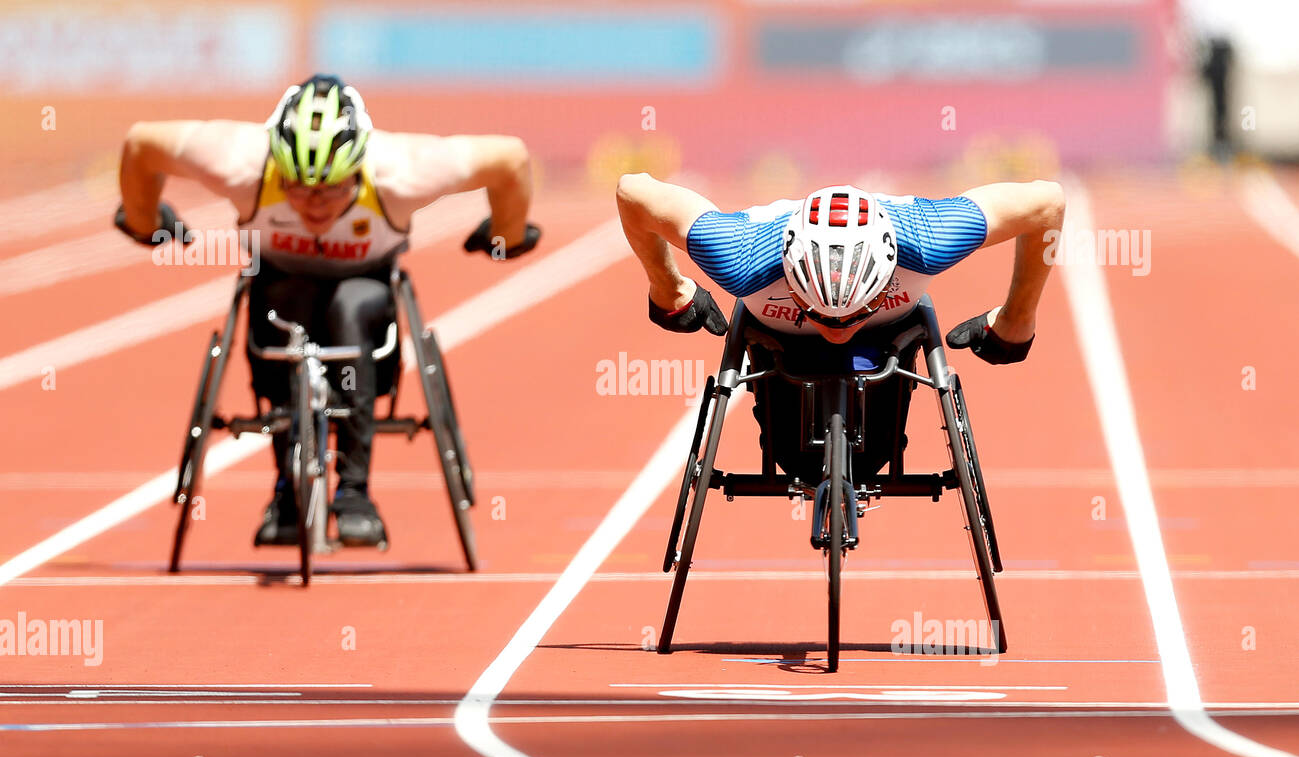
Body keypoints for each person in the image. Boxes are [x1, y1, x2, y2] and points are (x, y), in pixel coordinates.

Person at [116, 73, 540, 546]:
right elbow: (141, 144)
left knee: (349, 307)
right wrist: (143, 220)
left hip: (365, 288)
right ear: (276, 165)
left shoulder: (402, 171)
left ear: (359, 168)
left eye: (333, 189)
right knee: (283, 305)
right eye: (297, 188)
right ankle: (287, 491)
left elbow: (510, 159)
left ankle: (355, 493)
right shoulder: (241, 163)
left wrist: (509, 233)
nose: (314, 203)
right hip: (278, 287)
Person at [616, 176, 1064, 480]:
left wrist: (1018, 319)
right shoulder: (739, 257)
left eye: (854, 315)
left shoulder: (929, 241)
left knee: (875, 453)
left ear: (890, 275)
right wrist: (669, 288)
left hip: (886, 340)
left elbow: (1047, 201)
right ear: (789, 279)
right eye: (820, 314)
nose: (838, 331)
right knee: (791, 457)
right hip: (780, 346)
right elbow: (632, 190)